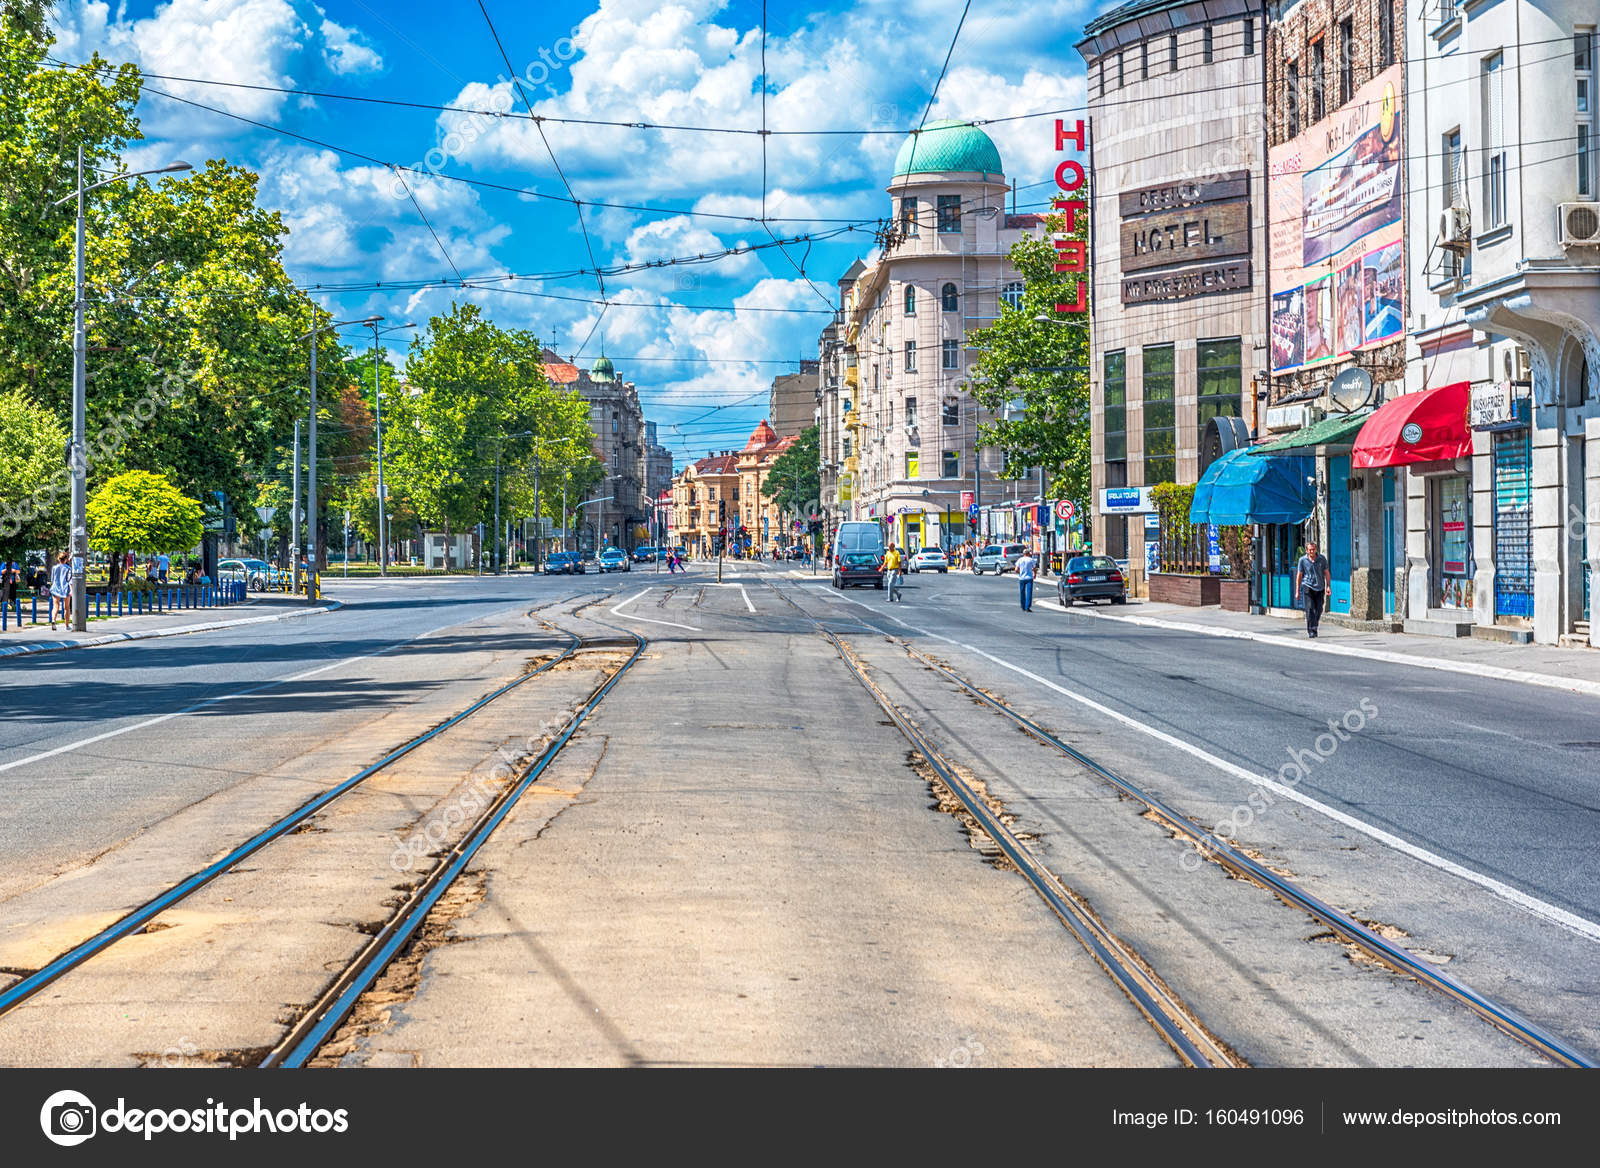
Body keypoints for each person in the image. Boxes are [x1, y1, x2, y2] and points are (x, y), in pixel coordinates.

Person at [1294, 540, 1330, 638]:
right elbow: (1299, 575)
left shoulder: (1322, 559)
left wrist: (1328, 586)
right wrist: (1297, 591)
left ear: (1316, 549)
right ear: (1306, 550)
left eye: (1313, 549)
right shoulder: (1302, 560)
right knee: (1310, 609)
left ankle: (1315, 625)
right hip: (1307, 586)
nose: (1312, 552)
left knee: (1318, 609)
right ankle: (1312, 630)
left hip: (1320, 587)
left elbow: (1326, 573)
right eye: (1310, 550)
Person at [50, 552, 72, 629]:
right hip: (65, 589)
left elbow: (52, 579)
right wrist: (71, 590)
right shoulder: (68, 569)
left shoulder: (54, 568)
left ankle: (53, 620)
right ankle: (67, 625)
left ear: (58, 559)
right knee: (66, 607)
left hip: (55, 588)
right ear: (66, 559)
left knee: (55, 606)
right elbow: (70, 580)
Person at [1015, 547, 1038, 612]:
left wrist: (1020, 573)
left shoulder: (1020, 560)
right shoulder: (1031, 560)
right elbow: (1034, 568)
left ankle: (1022, 606)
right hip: (1029, 578)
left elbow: (1016, 569)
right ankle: (1027, 607)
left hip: (1022, 578)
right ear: (1028, 553)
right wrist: (1035, 574)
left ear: (1023, 554)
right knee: (1029, 593)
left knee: (1022, 592)